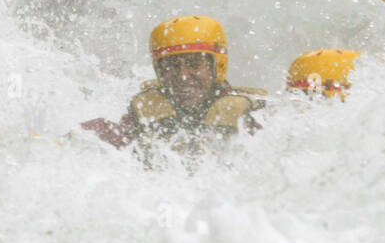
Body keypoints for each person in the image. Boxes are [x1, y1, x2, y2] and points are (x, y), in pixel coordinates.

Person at [81, 15, 264, 159]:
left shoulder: (251, 119)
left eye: (194, 64)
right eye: (171, 66)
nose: (183, 75)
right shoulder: (142, 117)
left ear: (217, 67)